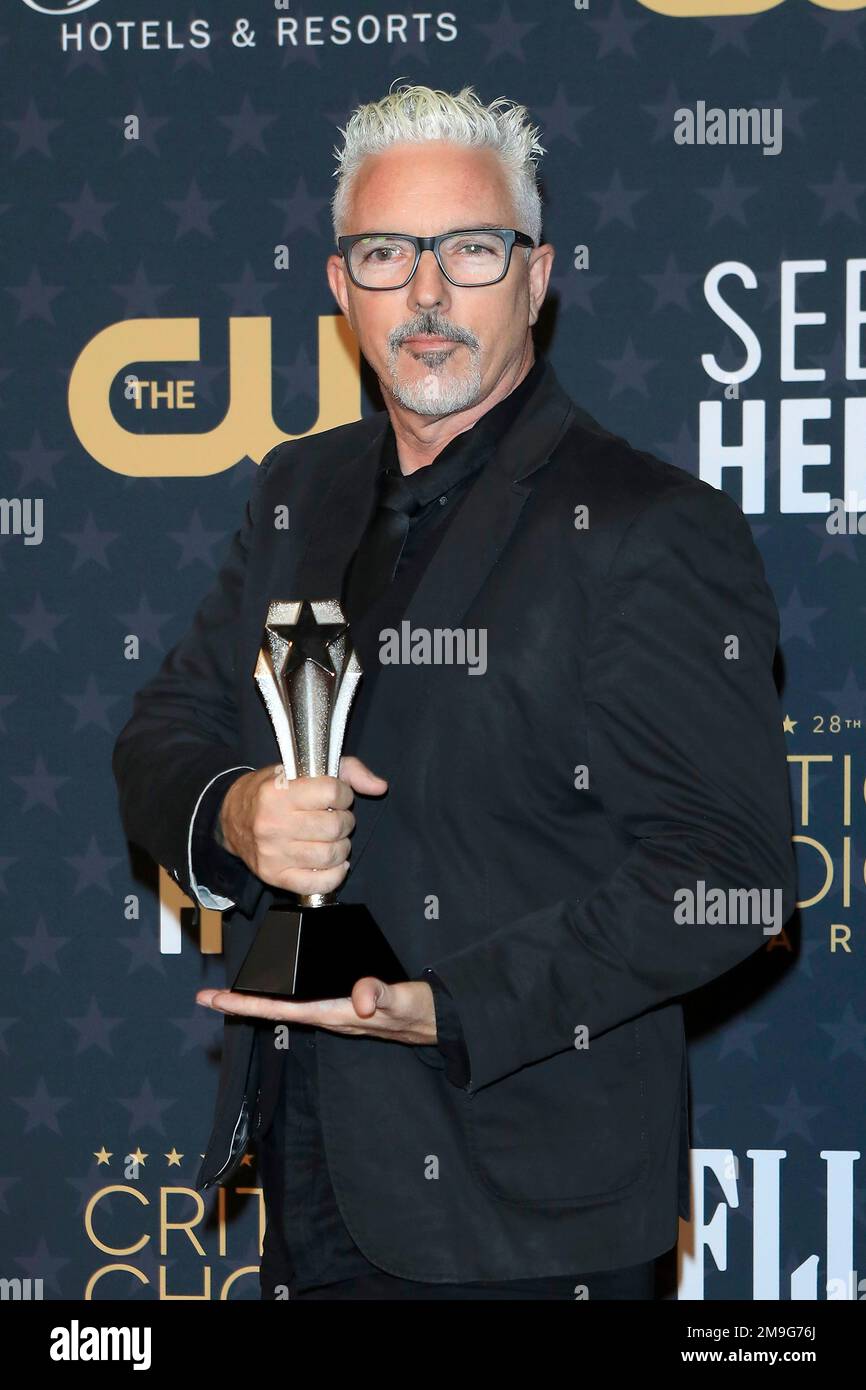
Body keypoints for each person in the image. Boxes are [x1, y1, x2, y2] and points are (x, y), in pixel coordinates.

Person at [112, 82, 798, 1301]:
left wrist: (445, 1006)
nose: (426, 295)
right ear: (339, 289)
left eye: (469, 250)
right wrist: (234, 811)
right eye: (386, 253)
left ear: (535, 279)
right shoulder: (297, 492)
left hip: (527, 1224)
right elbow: (165, 733)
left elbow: (727, 879)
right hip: (307, 1182)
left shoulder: (647, 528)